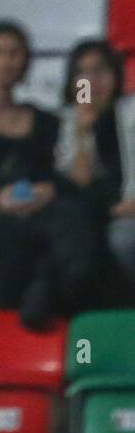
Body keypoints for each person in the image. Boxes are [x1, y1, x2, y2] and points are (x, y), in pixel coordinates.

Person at [0, 22, 96, 328]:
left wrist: (47, 190)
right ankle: (23, 308)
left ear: (25, 61)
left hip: (38, 205)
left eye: (14, 53)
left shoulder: (45, 119)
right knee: (19, 239)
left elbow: (63, 176)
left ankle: (68, 304)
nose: (6, 61)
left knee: (72, 216)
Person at [55, 39, 135, 298]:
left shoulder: (132, 111)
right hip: (94, 215)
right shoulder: (63, 122)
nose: (92, 80)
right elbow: (80, 181)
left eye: (101, 70)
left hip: (127, 213)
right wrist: (81, 133)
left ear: (115, 75)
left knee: (123, 239)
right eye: (83, 72)